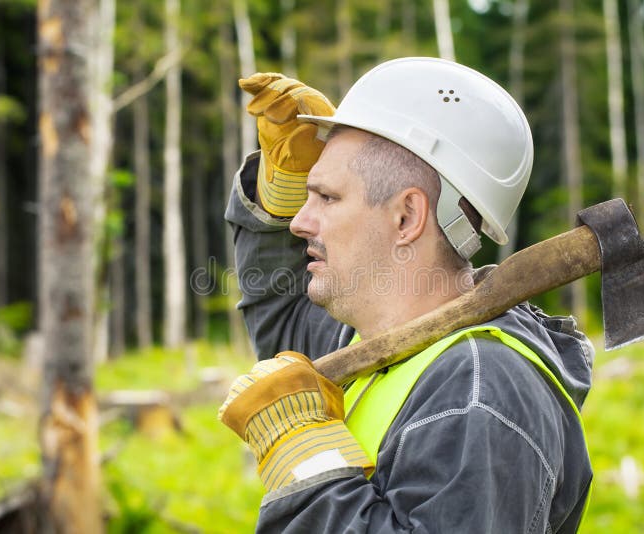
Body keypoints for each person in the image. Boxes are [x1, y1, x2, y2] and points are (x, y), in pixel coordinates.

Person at [219, 57, 594, 533]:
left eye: (327, 198)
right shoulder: (374, 344)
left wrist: (306, 458)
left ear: (406, 217)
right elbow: (283, 321)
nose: (299, 222)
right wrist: (280, 188)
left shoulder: (478, 395)